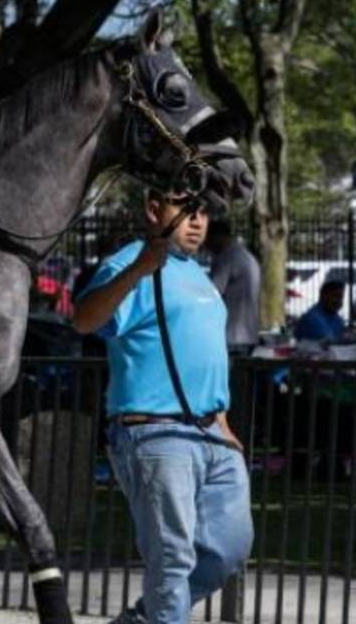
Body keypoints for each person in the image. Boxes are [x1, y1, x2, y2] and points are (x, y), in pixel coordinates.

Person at [72, 189, 252, 624]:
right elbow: (84, 321)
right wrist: (138, 269)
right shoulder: (131, 262)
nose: (197, 220)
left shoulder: (198, 273)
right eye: (184, 208)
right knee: (172, 556)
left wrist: (224, 422)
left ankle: (143, 620)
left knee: (230, 547)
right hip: (155, 433)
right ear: (153, 210)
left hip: (211, 433)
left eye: (203, 211)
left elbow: (206, 353)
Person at [205, 219, 260, 354]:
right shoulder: (246, 256)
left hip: (230, 336)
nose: (205, 244)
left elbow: (210, 294)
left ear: (218, 237)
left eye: (208, 239)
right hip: (248, 334)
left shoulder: (227, 258)